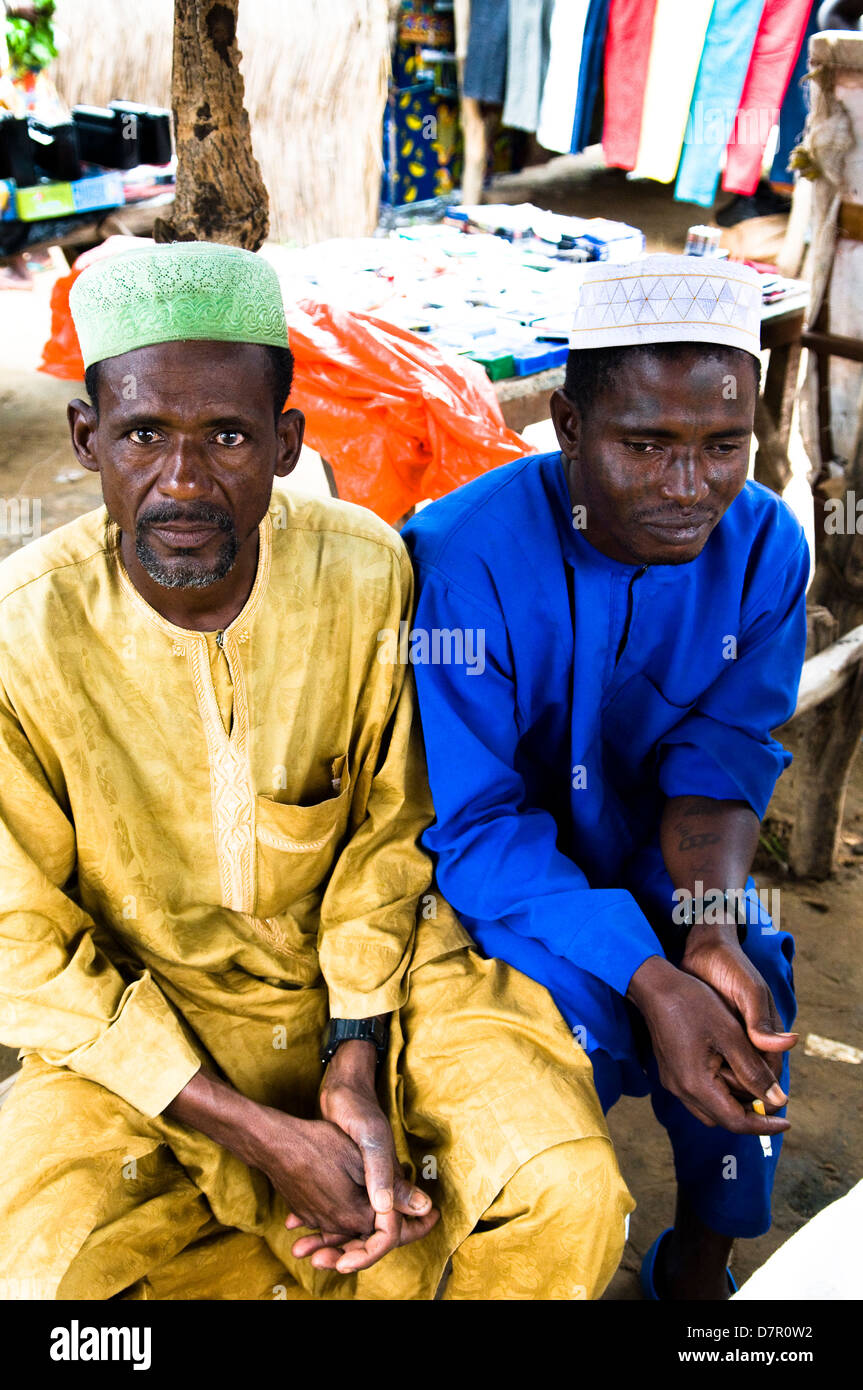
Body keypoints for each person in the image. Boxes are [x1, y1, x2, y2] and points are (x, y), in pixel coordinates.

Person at [0, 240, 631, 1301]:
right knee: (40, 1271)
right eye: (143, 433)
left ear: (288, 442)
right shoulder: (21, 636)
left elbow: (389, 835)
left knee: (561, 1188)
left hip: (380, 985)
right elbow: (24, 950)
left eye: (229, 436)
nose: (184, 481)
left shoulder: (363, 569)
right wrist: (253, 1127)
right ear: (84, 437)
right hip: (141, 1026)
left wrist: (351, 1050)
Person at [403, 254, 809, 1301]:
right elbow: (476, 820)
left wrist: (707, 929)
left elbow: (721, 760)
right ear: (567, 427)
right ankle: (537, 1245)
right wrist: (649, 975)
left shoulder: (764, 546)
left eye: (724, 446)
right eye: (646, 445)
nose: (689, 490)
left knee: (752, 975)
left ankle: (701, 1259)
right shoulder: (457, 559)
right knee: (558, 1034)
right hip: (496, 877)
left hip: (655, 851)